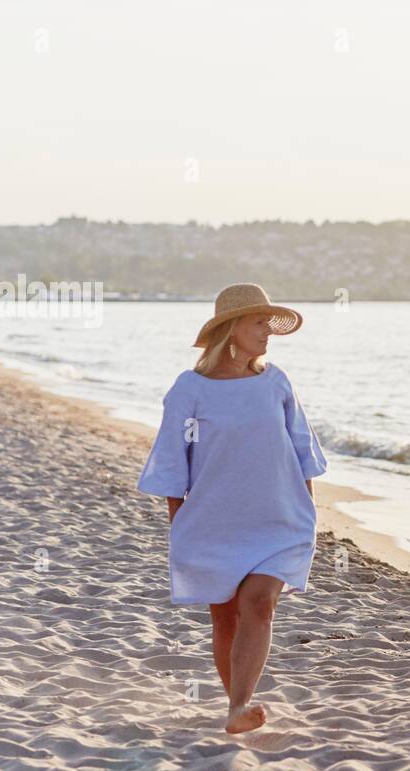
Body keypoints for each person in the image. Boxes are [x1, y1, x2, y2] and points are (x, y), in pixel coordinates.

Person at [137, 283, 327, 734]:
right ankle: (235, 705)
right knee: (225, 619)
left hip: (279, 519)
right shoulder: (190, 389)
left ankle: (240, 704)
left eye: (268, 323)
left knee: (258, 604)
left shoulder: (275, 380)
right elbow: (170, 459)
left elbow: (303, 448)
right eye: (258, 322)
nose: (267, 332)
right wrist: (179, 524)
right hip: (212, 522)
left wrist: (307, 512)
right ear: (232, 329)